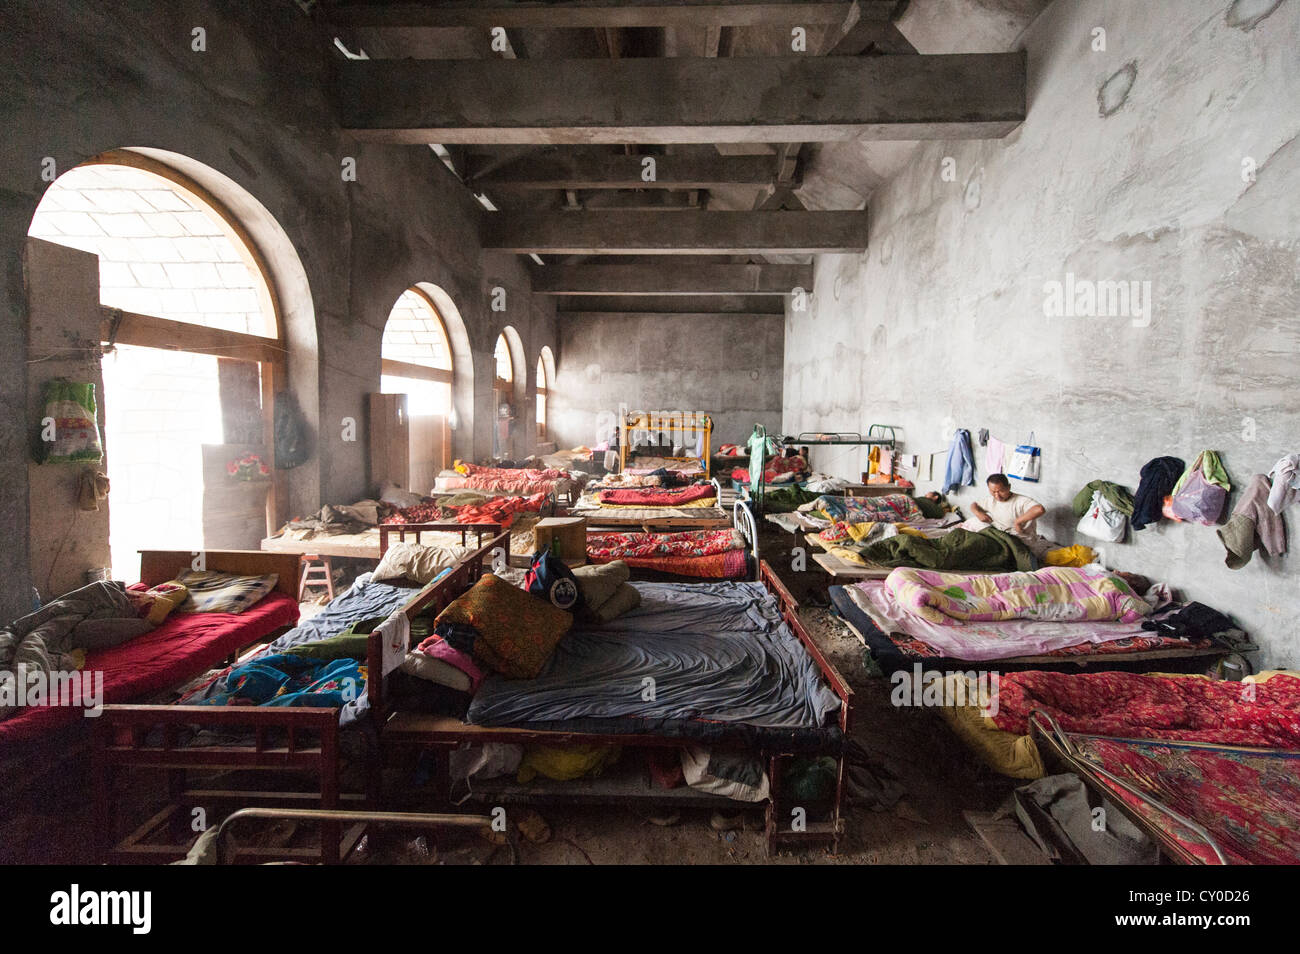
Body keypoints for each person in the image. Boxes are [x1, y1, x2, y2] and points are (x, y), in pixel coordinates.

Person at [969, 474, 1048, 552]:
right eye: (993, 492)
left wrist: (1018, 521)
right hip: (1001, 538)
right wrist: (978, 513)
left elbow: (1039, 509)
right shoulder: (990, 501)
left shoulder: (1021, 500)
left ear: (1009, 487)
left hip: (1021, 543)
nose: (997, 496)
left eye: (1001, 491)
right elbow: (974, 505)